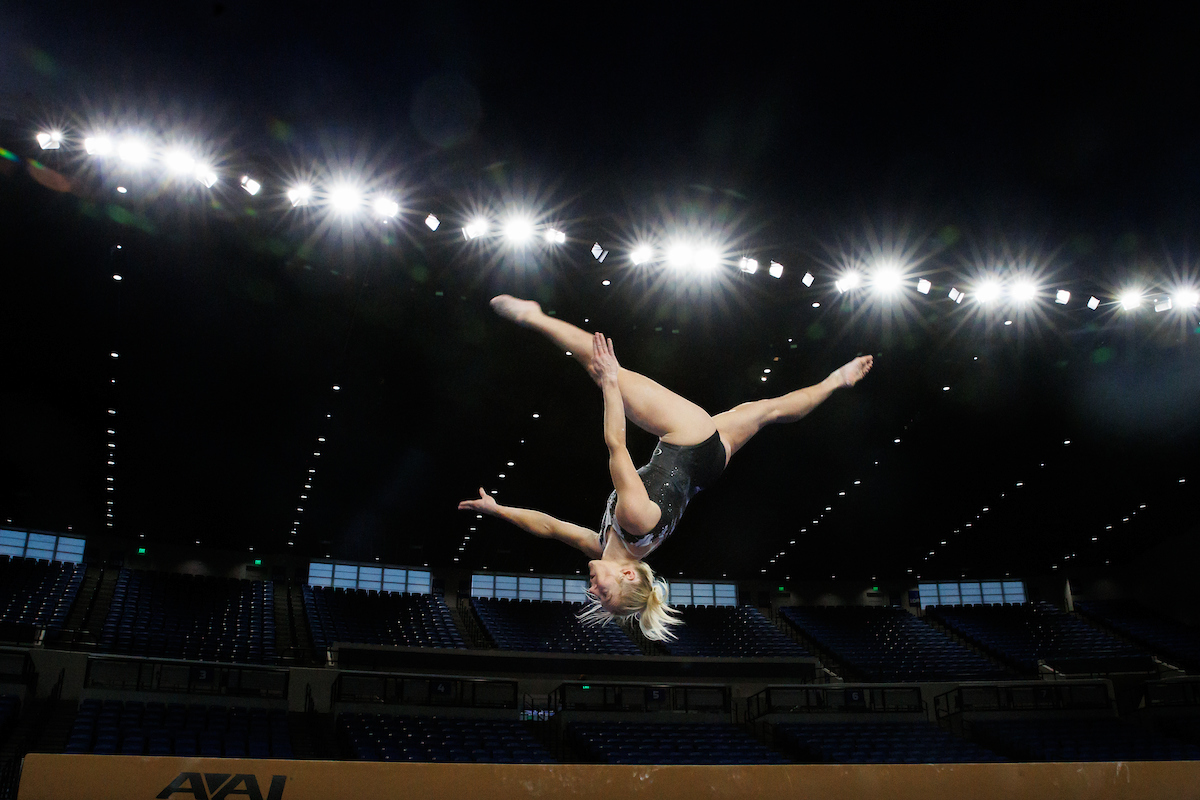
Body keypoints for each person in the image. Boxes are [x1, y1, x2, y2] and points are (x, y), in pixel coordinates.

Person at [459, 295, 873, 641]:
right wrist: (609, 383)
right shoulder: (634, 520)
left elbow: (549, 527)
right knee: (605, 365)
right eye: (603, 594)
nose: (592, 590)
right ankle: (534, 315)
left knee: (769, 410)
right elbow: (615, 444)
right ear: (626, 575)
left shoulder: (606, 545)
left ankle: (836, 380)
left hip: (706, 468)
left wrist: (498, 511)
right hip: (686, 438)